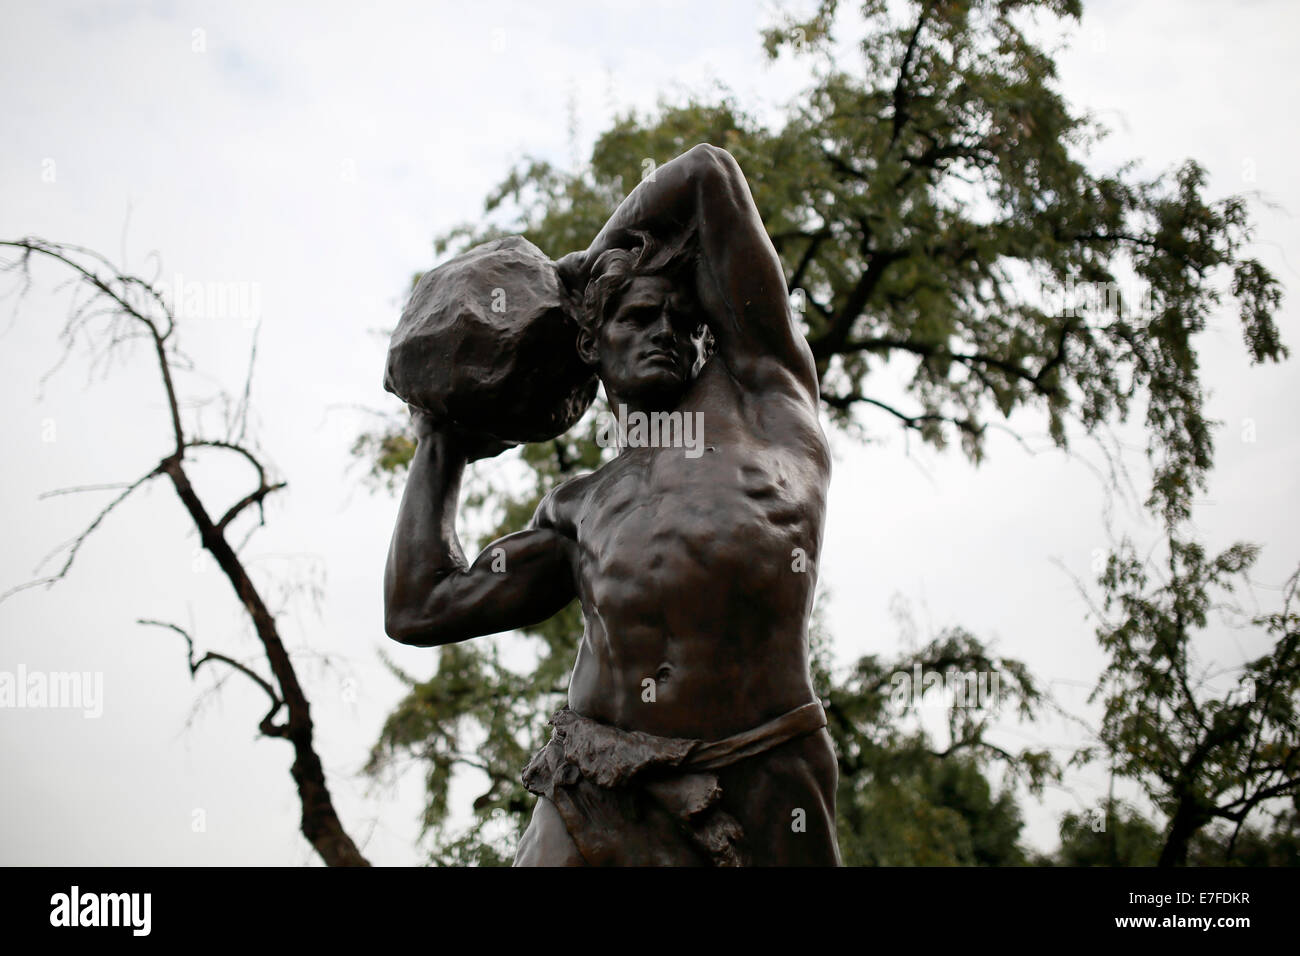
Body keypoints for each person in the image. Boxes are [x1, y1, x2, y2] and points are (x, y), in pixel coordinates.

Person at [384, 144, 838, 865]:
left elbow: (707, 174)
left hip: (761, 769)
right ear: (591, 344)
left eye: (686, 323)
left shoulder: (767, 401)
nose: (668, 331)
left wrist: (582, 273)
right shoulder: (578, 508)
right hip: (596, 786)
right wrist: (440, 440)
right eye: (639, 317)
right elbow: (421, 607)